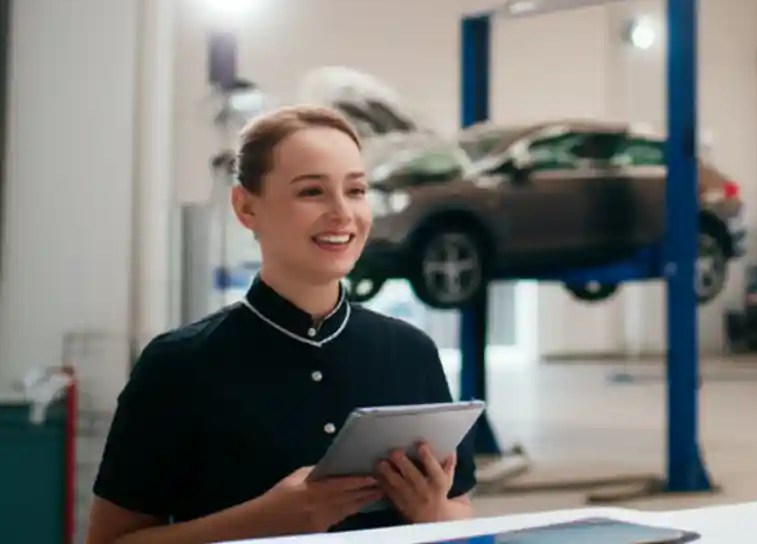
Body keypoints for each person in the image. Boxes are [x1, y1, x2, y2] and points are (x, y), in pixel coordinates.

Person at [87, 105, 476, 543]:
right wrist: (264, 520)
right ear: (246, 207)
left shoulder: (410, 352)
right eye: (312, 191)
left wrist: (434, 512)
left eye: (356, 190)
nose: (342, 213)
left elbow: (461, 510)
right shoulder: (177, 366)